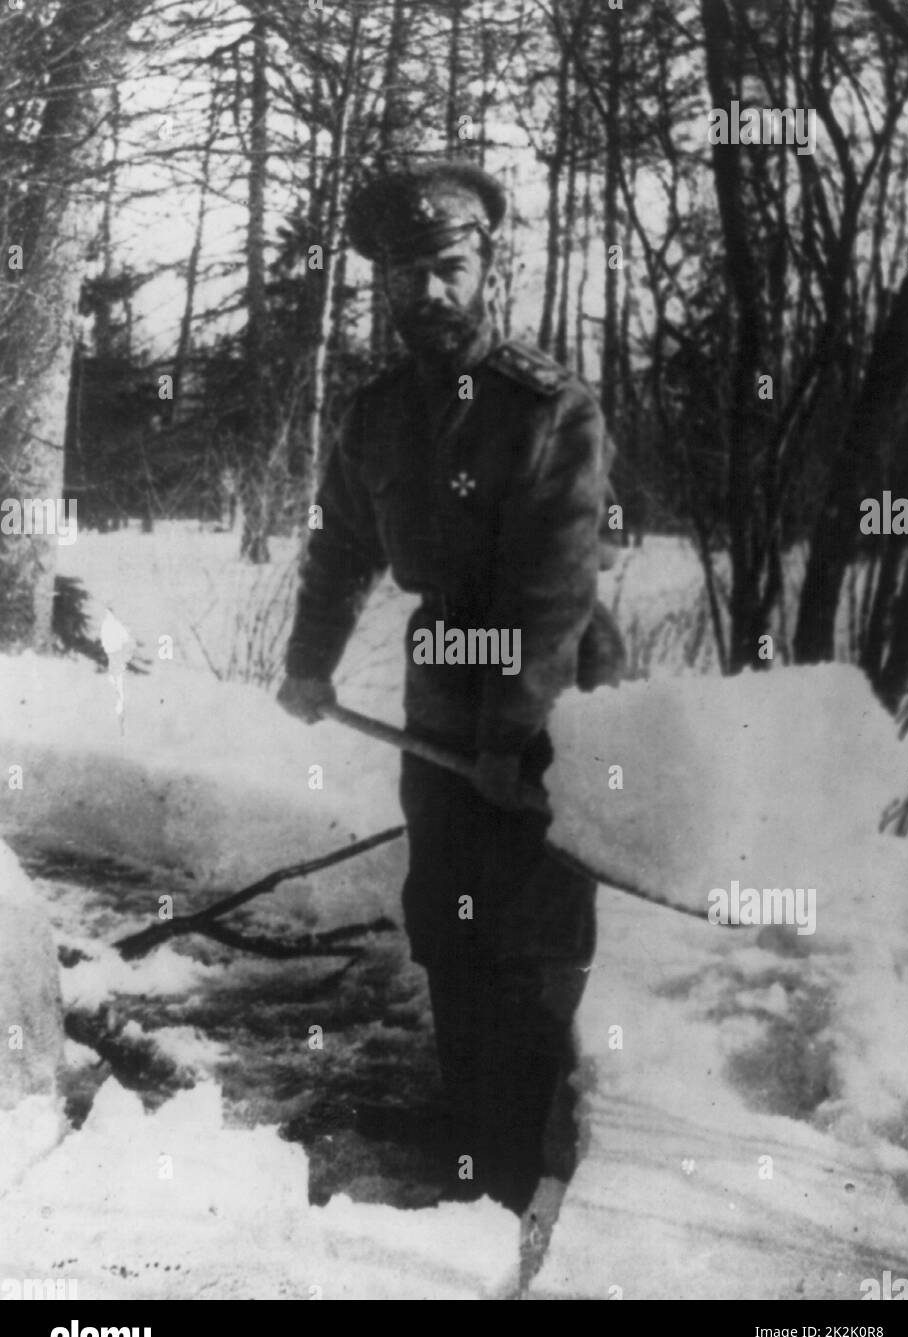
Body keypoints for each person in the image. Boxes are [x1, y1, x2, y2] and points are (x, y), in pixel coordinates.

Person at [277, 162, 623, 1213]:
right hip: (442, 681)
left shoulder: (551, 408)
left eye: (448, 268)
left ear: (487, 269)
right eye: (405, 276)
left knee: (528, 928)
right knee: (448, 909)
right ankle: (468, 1126)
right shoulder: (376, 414)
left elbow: (551, 589)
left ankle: (526, 1159)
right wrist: (309, 661)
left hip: (552, 688)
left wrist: (509, 739)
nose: (427, 293)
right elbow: (339, 545)